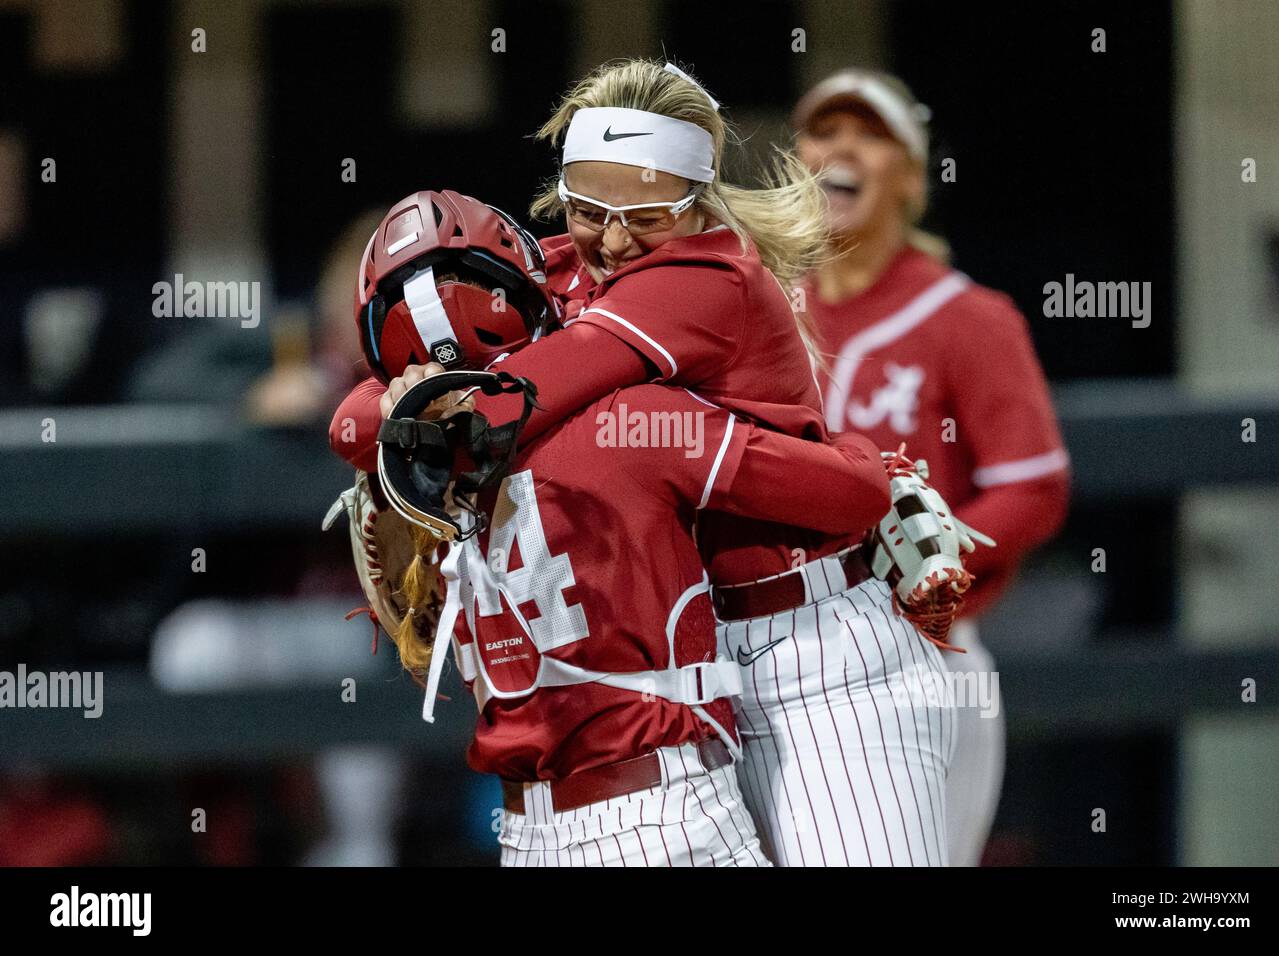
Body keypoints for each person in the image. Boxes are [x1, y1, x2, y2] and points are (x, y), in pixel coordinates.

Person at [332, 59, 966, 866]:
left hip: (819, 664)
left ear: (697, 204)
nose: (617, 239)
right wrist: (398, 401)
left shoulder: (708, 275)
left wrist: (424, 408)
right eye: (591, 209)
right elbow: (354, 415)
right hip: (703, 673)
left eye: (649, 214)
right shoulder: (563, 265)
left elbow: (510, 401)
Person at [792, 68, 1071, 866]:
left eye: (870, 133)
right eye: (824, 130)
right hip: (781, 652)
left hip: (923, 653)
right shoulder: (764, 306)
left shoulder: (967, 315)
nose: (841, 146)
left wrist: (940, 555)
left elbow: (1035, 486)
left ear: (912, 177)